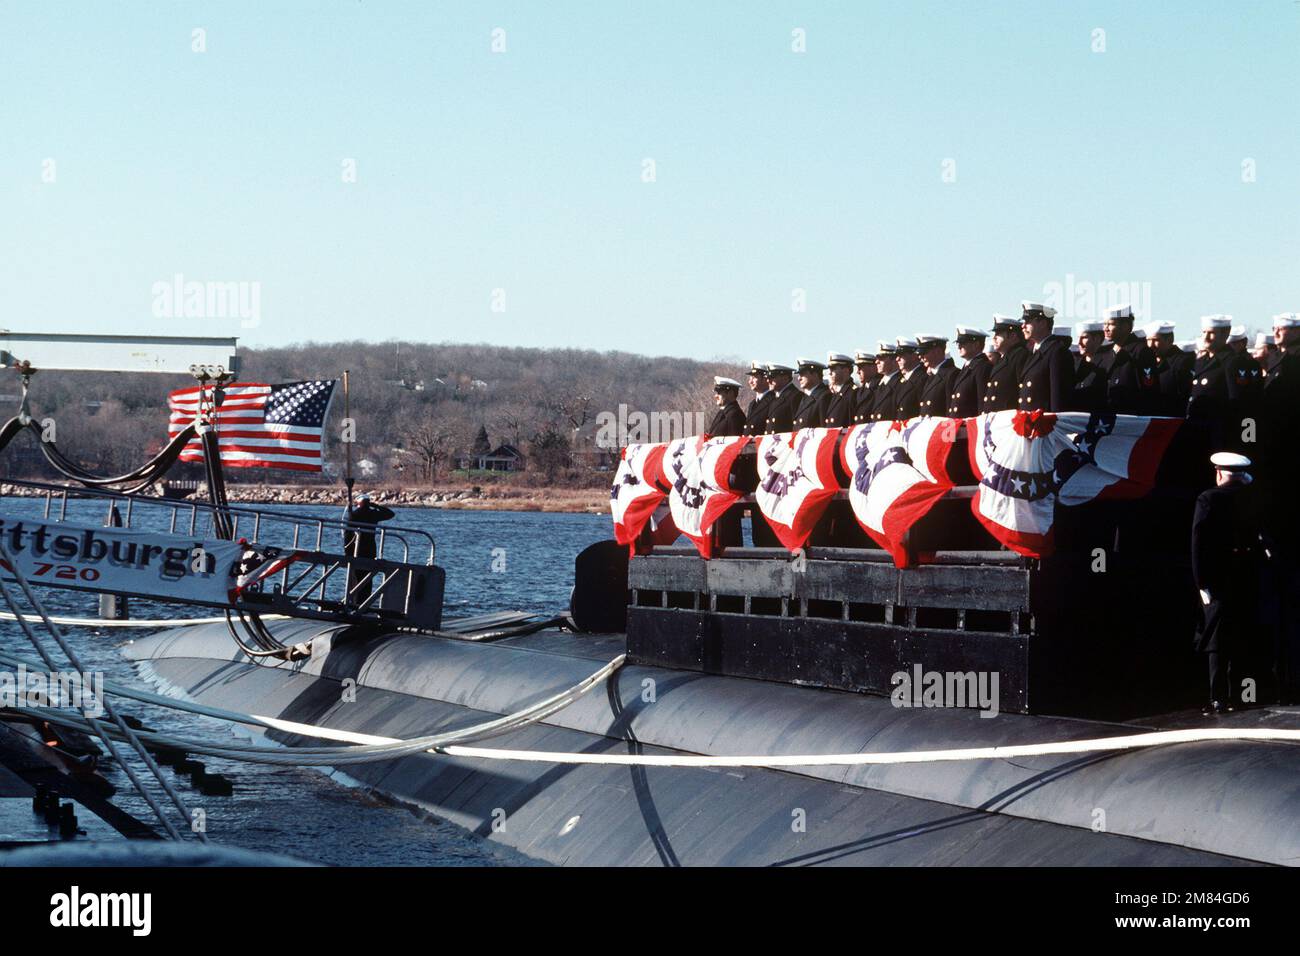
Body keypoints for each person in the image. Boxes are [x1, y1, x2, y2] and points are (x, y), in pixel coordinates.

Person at [1191, 453, 1268, 714]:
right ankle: (1241, 694)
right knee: (1240, 633)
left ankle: (1219, 697)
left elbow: (1198, 542)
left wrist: (1202, 583)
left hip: (1220, 577)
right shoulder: (1249, 497)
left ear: (1220, 472)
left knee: (1217, 638)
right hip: (1247, 574)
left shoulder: (1208, 498)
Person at [1017, 301, 1074, 412]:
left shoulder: (1057, 351)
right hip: (1029, 421)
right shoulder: (1034, 353)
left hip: (1046, 424)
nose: (1023, 326)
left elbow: (1058, 396)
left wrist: (1055, 425)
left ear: (1042, 323)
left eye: (1028, 321)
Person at [343, 492, 396, 606]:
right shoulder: (373, 513)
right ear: (368, 502)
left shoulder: (354, 514)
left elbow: (347, 533)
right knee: (368, 577)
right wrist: (376, 506)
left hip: (356, 549)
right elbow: (390, 514)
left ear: (358, 502)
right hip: (370, 548)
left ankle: (354, 602)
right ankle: (365, 603)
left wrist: (347, 549)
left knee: (356, 576)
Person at [982, 315, 1028, 413]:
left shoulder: (1020, 355)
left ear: (1013, 336)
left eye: (998, 333)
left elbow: (1022, 390)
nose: (994, 338)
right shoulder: (1002, 358)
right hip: (996, 418)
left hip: (1009, 419)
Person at [946, 326, 991, 417]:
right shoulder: (968, 367)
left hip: (971, 425)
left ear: (976, 344)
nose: (959, 346)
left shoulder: (982, 367)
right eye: (958, 343)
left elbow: (982, 401)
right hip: (959, 424)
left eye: (963, 343)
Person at [1067, 320, 1108, 414]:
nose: (1079, 343)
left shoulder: (1106, 363)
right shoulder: (1077, 365)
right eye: (1078, 338)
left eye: (1084, 337)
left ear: (1097, 338)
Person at [915, 334, 956, 416]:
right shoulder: (931, 376)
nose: (920, 357)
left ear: (937, 351)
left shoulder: (951, 374)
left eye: (924, 352)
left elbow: (950, 409)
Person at [791, 357, 832, 429]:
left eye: (802, 374)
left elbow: (825, 430)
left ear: (815, 375)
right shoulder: (805, 397)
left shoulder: (824, 396)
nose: (799, 378)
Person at [891, 337, 925, 419]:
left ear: (914, 356)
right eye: (897, 355)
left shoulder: (922, 378)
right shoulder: (902, 381)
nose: (897, 359)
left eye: (901, 355)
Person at [822, 353, 857, 427]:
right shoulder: (835, 393)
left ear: (846, 370)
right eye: (830, 369)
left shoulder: (853, 392)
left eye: (833, 369)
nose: (830, 373)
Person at [868, 342, 900, 421]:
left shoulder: (900, 383)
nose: (876, 362)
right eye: (877, 358)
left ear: (893, 359)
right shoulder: (878, 385)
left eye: (881, 358)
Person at [764, 363, 799, 433]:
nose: (768, 381)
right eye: (768, 378)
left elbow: (796, 427)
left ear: (785, 378)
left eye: (772, 377)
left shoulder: (795, 396)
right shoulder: (776, 397)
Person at [741, 361, 772, 437]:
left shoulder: (773, 400)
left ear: (765, 379)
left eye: (754, 377)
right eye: (750, 378)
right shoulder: (753, 404)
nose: (750, 381)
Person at [851, 349, 881, 424]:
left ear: (873, 367)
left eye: (860, 367)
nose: (857, 372)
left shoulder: (880, 387)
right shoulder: (860, 391)